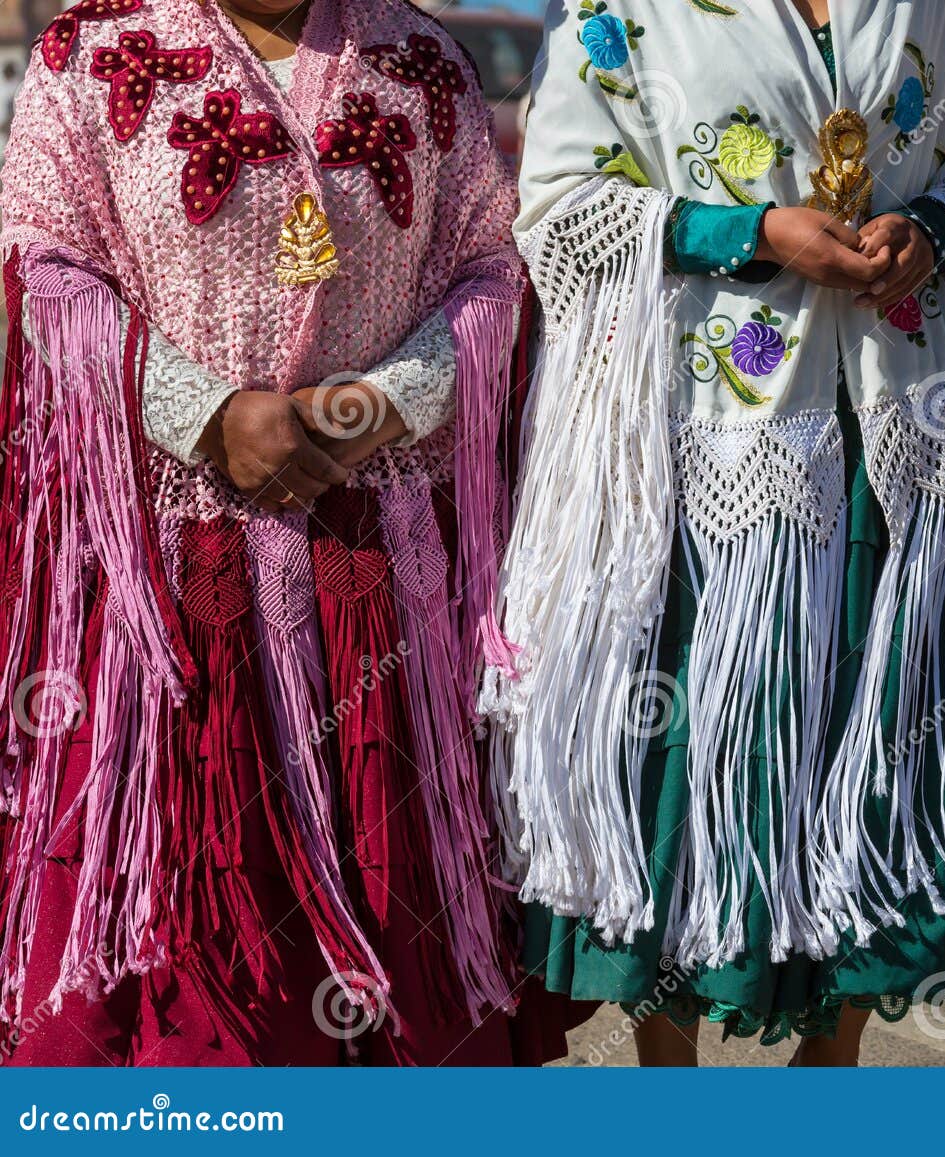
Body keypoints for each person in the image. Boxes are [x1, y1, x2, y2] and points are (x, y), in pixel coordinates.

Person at [0, 0, 586, 1065]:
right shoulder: (85, 57)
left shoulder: (420, 64)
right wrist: (209, 415)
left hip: (377, 574)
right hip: (177, 587)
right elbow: (43, 264)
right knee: (182, 923)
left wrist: (376, 405)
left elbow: (492, 272)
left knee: (396, 907)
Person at [488, 0, 945, 1067]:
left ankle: (830, 1058)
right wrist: (749, 232)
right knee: (681, 755)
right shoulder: (625, 16)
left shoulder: (937, 10)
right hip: (705, 445)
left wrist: (930, 228)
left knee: (889, 744)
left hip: (899, 436)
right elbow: (558, 207)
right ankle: (669, 1068)